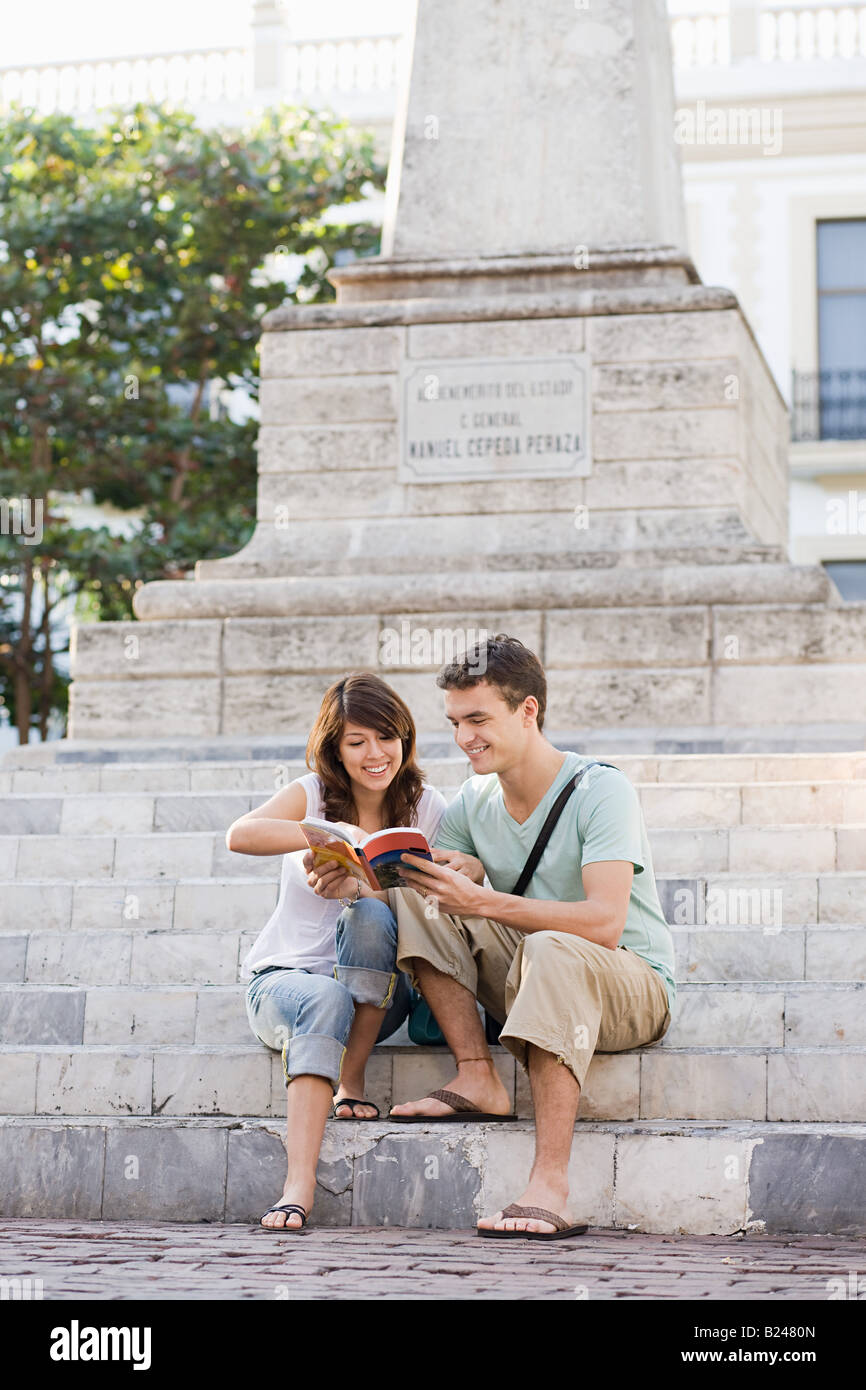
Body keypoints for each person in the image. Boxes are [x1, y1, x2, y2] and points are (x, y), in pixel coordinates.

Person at [385, 634, 677, 1239]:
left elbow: (604, 923)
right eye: (455, 722)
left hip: (631, 982)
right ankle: (476, 1074)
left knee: (552, 946)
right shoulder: (473, 800)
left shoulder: (602, 790)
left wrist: (484, 898)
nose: (464, 738)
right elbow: (456, 895)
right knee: (417, 893)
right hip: (535, 972)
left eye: (478, 719)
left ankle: (551, 1184)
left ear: (527, 711)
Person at [227, 672, 447, 1231]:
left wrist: (362, 888)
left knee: (372, 914)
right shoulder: (312, 794)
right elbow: (241, 835)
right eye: (357, 742)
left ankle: (353, 1080)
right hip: (288, 984)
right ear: (335, 749)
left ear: (405, 738)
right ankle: (297, 1187)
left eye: (387, 737)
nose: (376, 754)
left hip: (377, 993)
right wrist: (326, 833)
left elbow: (439, 906)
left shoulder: (426, 805)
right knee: (324, 994)